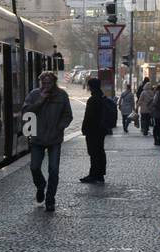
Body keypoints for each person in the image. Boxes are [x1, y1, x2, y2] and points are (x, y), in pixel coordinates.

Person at [22, 70, 73, 212]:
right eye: (43, 83)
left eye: (48, 83)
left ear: (54, 82)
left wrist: (60, 127)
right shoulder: (34, 95)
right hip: (37, 139)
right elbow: (26, 113)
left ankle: (50, 199)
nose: (45, 85)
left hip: (55, 139)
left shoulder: (62, 95)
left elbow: (68, 115)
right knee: (34, 167)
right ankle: (40, 186)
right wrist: (40, 100)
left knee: (54, 170)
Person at [79, 76, 109, 184]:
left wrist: (84, 128)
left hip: (93, 130)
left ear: (91, 87)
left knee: (93, 153)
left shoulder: (92, 100)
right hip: (101, 130)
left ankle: (93, 174)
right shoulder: (102, 97)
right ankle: (100, 174)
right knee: (100, 151)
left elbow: (88, 116)